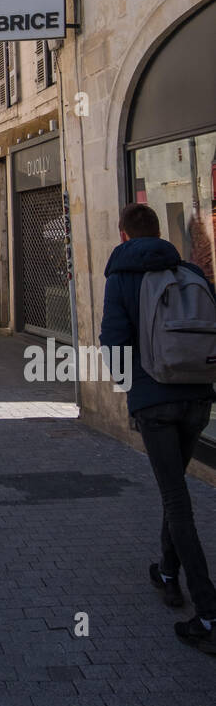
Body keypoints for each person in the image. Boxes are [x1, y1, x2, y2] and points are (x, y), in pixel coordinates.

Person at [99, 202, 216, 655]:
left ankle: (207, 612)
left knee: (176, 499)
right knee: (177, 489)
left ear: (124, 235)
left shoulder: (121, 276)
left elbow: (115, 341)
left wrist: (132, 392)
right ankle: (168, 574)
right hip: (198, 397)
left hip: (156, 401)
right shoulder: (188, 270)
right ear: (157, 231)